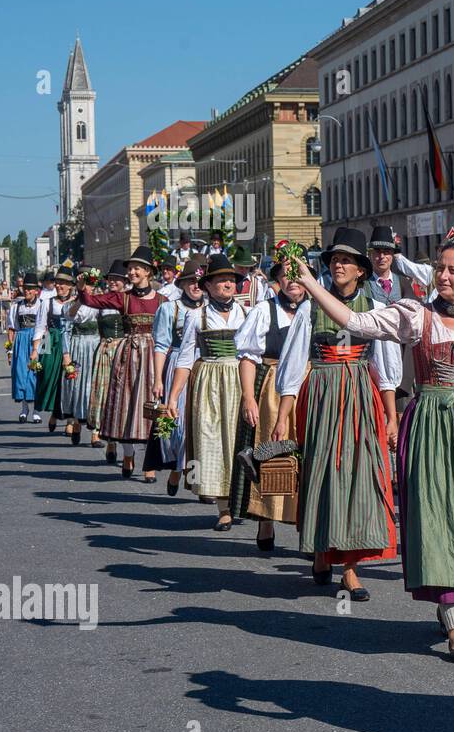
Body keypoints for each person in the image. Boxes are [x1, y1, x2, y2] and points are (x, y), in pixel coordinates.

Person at [296, 230, 454, 661]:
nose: (441, 276)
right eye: (439, 268)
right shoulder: (414, 314)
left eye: (451, 270)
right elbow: (355, 323)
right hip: (430, 424)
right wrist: (311, 284)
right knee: (438, 514)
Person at [274, 226, 401, 602]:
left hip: (362, 394)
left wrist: (392, 417)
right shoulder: (311, 307)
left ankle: (349, 568)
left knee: (360, 476)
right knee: (324, 473)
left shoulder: (376, 309)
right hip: (323, 395)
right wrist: (282, 416)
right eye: (335, 259)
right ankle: (321, 550)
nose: (339, 265)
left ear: (362, 269)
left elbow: (386, 367)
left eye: (347, 260)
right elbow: (294, 365)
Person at [165, 255, 249, 526]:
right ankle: (223, 507)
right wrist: (173, 396)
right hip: (209, 382)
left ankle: (245, 500)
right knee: (212, 440)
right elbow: (185, 358)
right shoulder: (196, 316)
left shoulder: (248, 313)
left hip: (240, 378)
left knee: (241, 440)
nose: (227, 284)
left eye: (231, 280)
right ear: (208, 286)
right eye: (221, 280)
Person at [229, 260, 305, 549]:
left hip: (306, 387)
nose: (292, 282)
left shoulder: (316, 309)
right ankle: (265, 518)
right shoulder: (265, 310)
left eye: (297, 275)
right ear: (278, 281)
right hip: (272, 386)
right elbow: (248, 357)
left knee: (303, 457)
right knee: (270, 453)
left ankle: (306, 524)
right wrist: (248, 397)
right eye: (286, 276)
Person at [76, 247, 166, 481]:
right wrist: (82, 287)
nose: (132, 272)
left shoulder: (163, 301)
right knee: (125, 407)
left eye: (137, 268)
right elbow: (91, 300)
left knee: (155, 409)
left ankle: (150, 463)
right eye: (130, 268)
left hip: (155, 358)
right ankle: (128, 453)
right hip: (129, 356)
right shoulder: (123, 297)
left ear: (148, 271)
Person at [147, 255, 206, 496]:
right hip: (177, 365)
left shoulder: (212, 309)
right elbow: (161, 345)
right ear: (182, 284)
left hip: (205, 367)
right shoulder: (169, 308)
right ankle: (176, 470)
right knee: (178, 426)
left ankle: (198, 483)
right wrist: (158, 379)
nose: (195, 286)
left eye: (200, 282)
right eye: (191, 281)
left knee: (202, 425)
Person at [87, 262, 128, 456]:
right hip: (104, 349)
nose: (112, 282)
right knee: (102, 392)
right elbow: (78, 315)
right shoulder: (101, 301)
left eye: (116, 279)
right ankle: (99, 433)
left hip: (124, 350)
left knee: (122, 395)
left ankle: (119, 440)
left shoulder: (129, 300)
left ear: (124, 282)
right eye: (110, 279)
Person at [31, 266, 75, 433]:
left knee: (71, 380)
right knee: (50, 378)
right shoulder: (47, 303)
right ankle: (55, 414)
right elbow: (40, 327)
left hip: (72, 342)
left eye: (63, 283)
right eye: (57, 283)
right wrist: (35, 350)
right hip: (51, 342)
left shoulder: (77, 302)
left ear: (70, 285)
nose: (58, 286)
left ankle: (71, 419)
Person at [60, 272, 102, 444]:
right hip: (77, 345)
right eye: (85, 284)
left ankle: (96, 432)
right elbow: (67, 325)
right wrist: (66, 354)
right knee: (77, 386)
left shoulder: (100, 304)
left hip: (96, 345)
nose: (88, 287)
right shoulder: (71, 304)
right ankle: (77, 421)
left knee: (96, 386)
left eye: (90, 283)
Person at [7, 277, 41, 422]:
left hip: (38, 339)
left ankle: (36, 410)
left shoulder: (42, 305)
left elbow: (44, 327)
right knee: (21, 374)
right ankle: (24, 408)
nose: (27, 290)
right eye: (25, 288)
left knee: (36, 374)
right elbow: (12, 328)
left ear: (36, 291)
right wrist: (9, 350)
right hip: (21, 340)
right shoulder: (16, 306)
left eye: (30, 288)